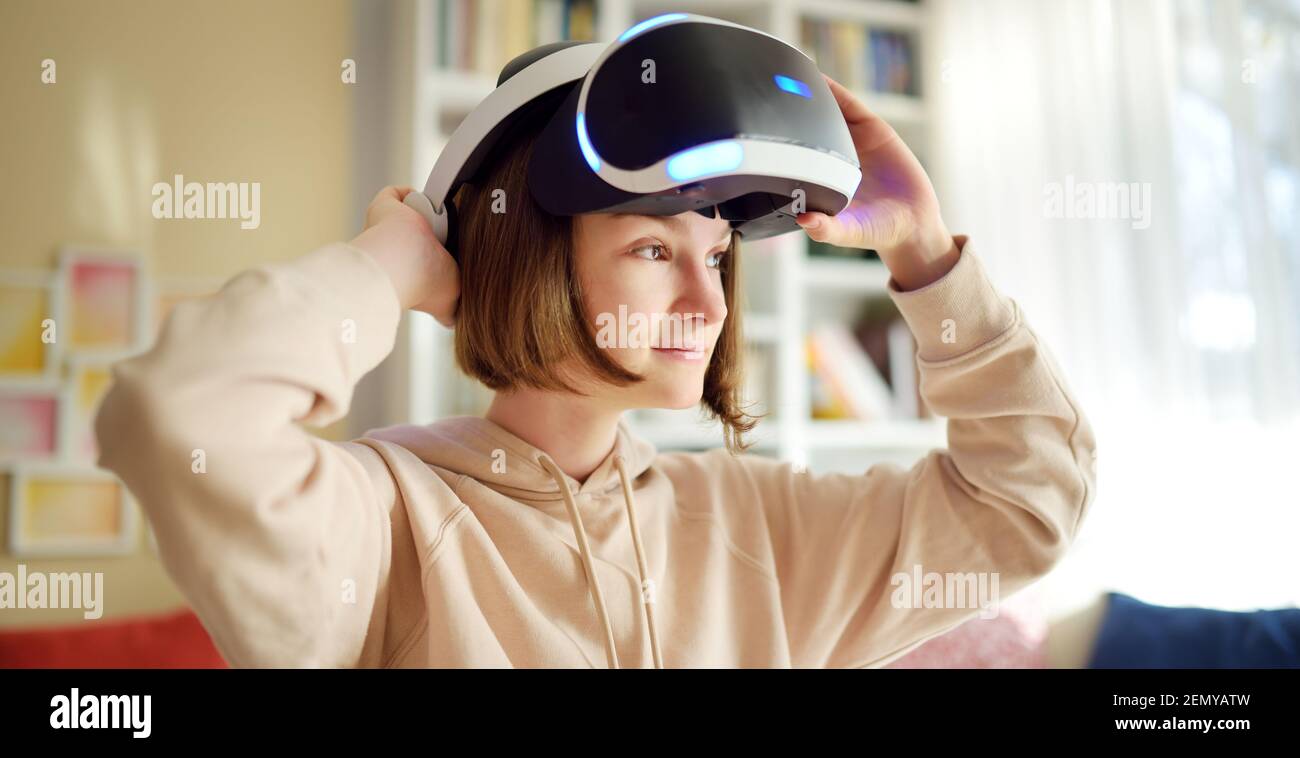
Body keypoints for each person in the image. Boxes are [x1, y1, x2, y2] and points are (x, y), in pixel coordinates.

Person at [94, 75, 1097, 668]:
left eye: (715, 256)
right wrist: (394, 262)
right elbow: (177, 413)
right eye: (654, 250)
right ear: (528, 251)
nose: (709, 305)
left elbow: (1024, 505)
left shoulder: (757, 525)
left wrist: (922, 252)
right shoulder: (387, 520)